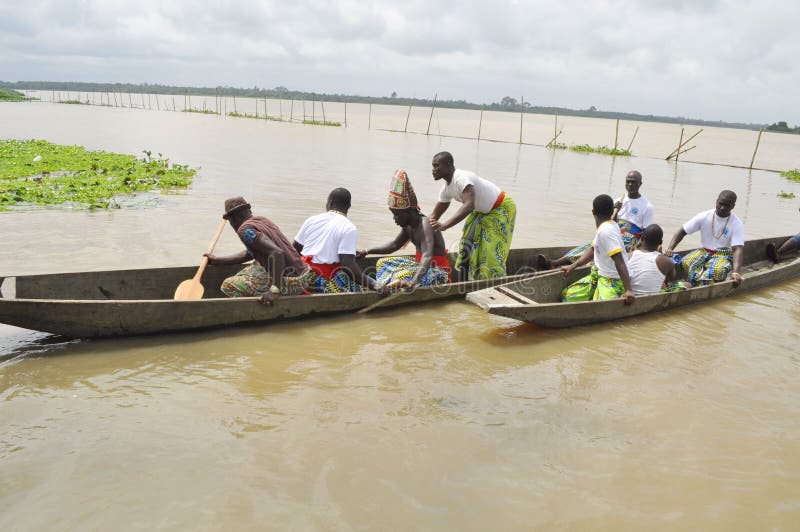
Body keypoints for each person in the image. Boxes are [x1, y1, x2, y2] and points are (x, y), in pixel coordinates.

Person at [538, 170, 654, 270]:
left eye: (633, 182)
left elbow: (646, 234)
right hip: (614, 233)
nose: (629, 184)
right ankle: (556, 263)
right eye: (627, 181)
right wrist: (616, 211)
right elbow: (608, 223)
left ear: (640, 184)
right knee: (590, 245)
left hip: (630, 240)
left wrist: (636, 249)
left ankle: (570, 265)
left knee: (602, 251)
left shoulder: (647, 206)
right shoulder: (618, 200)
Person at [205, 196, 312, 305]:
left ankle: (249, 309)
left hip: (292, 282)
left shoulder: (244, 230)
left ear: (233, 218)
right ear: (249, 211)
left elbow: (277, 253)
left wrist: (274, 291)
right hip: (304, 275)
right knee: (255, 265)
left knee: (228, 285)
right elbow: (250, 253)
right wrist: (218, 260)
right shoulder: (262, 220)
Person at [428, 151, 516, 280]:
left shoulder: (461, 178)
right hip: (481, 212)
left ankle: (495, 282)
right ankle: (463, 286)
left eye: (436, 166)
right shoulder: (446, 189)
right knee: (466, 247)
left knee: (491, 252)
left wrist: (445, 225)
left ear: (448, 165)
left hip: (501, 207)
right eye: (433, 166)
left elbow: (469, 206)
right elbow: (434, 216)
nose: (433, 170)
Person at [357, 170, 450, 288]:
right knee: (382, 263)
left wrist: (413, 282)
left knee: (402, 275)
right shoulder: (409, 225)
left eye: (397, 214)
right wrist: (366, 251)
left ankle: (395, 284)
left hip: (438, 272)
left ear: (409, 212)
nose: (395, 219)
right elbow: (394, 245)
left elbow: (427, 255)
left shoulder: (425, 224)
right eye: (393, 214)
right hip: (420, 266)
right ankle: (386, 286)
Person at [293, 187, 384, 293]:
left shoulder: (311, 220)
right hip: (321, 281)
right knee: (356, 285)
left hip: (302, 277)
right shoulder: (349, 227)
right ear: (349, 206)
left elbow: (294, 249)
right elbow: (348, 265)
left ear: (329, 202)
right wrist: (375, 285)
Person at [560, 194, 635, 304]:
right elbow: (592, 250)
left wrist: (629, 290)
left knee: (600, 305)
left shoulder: (606, 231)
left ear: (593, 212)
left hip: (613, 279)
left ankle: (608, 293)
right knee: (567, 296)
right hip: (598, 274)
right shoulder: (605, 226)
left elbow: (619, 261)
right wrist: (573, 266)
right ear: (611, 211)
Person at [664, 190, 744, 287]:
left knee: (715, 271)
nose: (722, 208)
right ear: (716, 201)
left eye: (727, 205)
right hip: (704, 251)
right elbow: (682, 231)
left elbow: (737, 249)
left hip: (723, 255)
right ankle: (692, 282)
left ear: (733, 206)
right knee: (684, 262)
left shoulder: (736, 223)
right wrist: (670, 248)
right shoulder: (704, 216)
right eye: (721, 204)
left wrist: (736, 272)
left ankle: (698, 284)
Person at [627, 224, 678, 294]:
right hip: (656, 298)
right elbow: (671, 278)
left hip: (631, 297)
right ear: (661, 243)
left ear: (641, 238)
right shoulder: (667, 262)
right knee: (687, 285)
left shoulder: (628, 256)